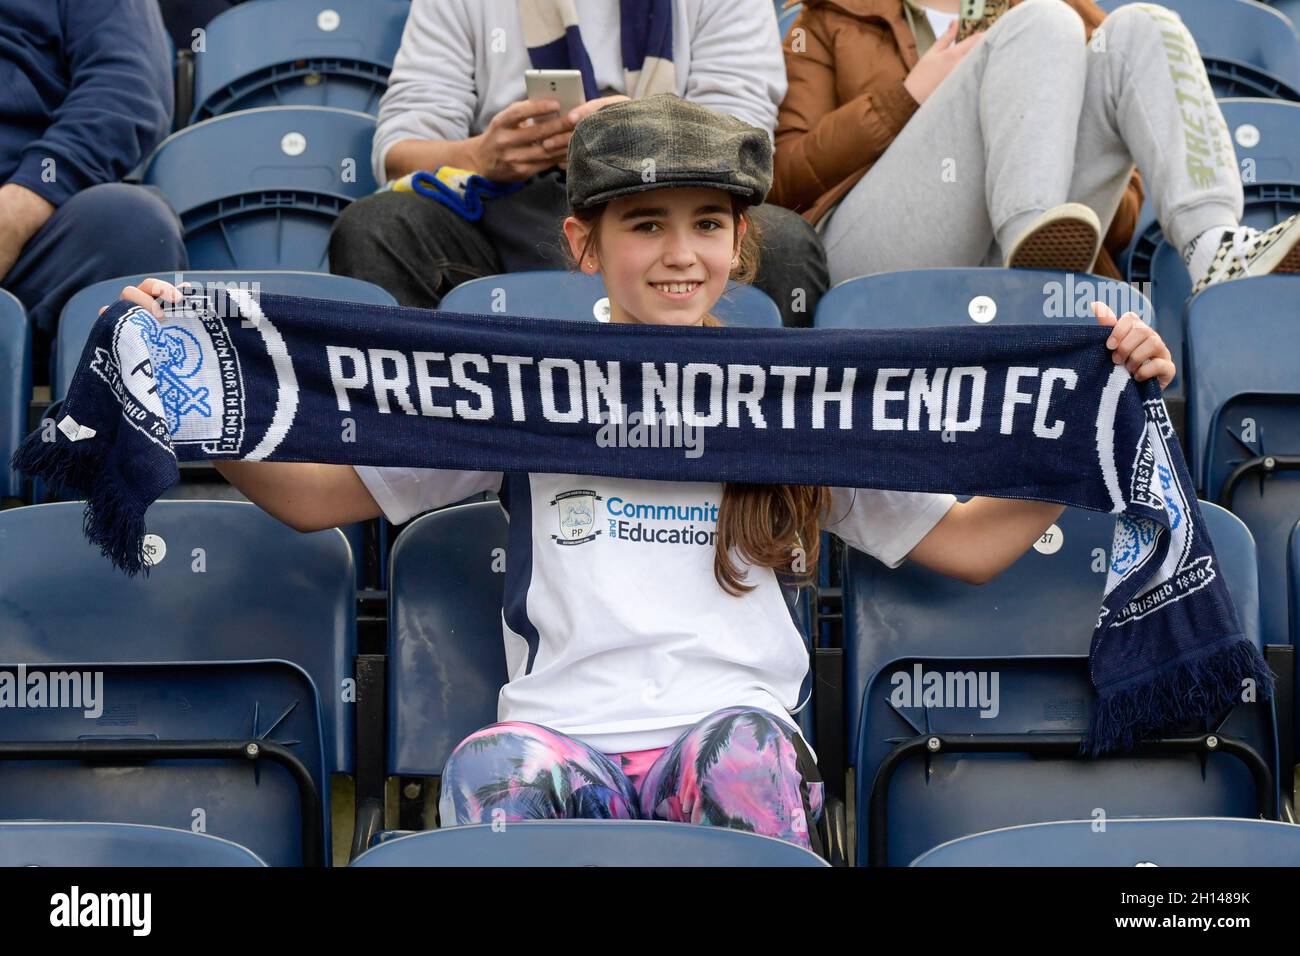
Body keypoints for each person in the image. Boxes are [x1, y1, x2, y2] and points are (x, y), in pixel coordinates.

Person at [110, 95, 1174, 852]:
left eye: (708, 225)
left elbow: (970, 544)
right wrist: (187, 400)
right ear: (584, 243)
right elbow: (313, 496)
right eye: (645, 225)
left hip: (729, 740)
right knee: (489, 770)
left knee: (749, 756)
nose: (680, 253)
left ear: (740, 244)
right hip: (556, 744)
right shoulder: (518, 387)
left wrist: (1097, 423)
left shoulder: (800, 399)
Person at [328, 0, 829, 328]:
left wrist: (634, 132)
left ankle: (758, 453)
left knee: (785, 243)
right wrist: (481, 155)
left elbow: (743, 139)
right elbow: (398, 150)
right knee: (376, 227)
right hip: (512, 206)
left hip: (669, 201)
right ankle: (434, 445)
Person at [771, 0, 1300, 290]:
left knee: (1146, 24)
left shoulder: (1069, 7)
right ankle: (1027, 229)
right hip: (871, 253)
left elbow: (1121, 215)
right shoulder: (831, 16)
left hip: (1034, 248)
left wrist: (1039, 152)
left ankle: (1213, 246)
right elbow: (783, 179)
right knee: (1042, 20)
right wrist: (906, 97)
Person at [1, 0, 187, 386]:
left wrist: (14, 214)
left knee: (130, 222)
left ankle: (103, 436)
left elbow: (127, 90)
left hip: (33, 232)